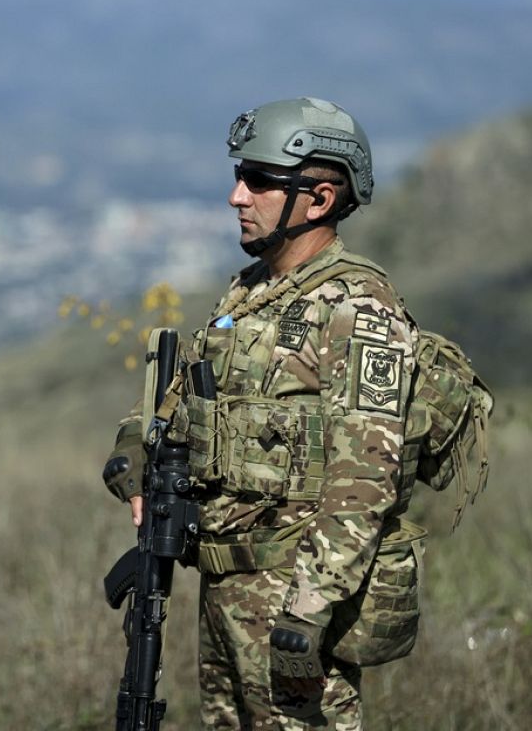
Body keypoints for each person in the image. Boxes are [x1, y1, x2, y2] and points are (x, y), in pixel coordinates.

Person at [104, 97, 417, 729]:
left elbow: (366, 484)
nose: (237, 197)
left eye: (260, 182)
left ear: (320, 199)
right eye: (239, 177)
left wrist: (309, 608)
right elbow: (183, 405)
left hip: (293, 602)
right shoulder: (251, 293)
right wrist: (135, 447)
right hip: (224, 589)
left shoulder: (358, 309)